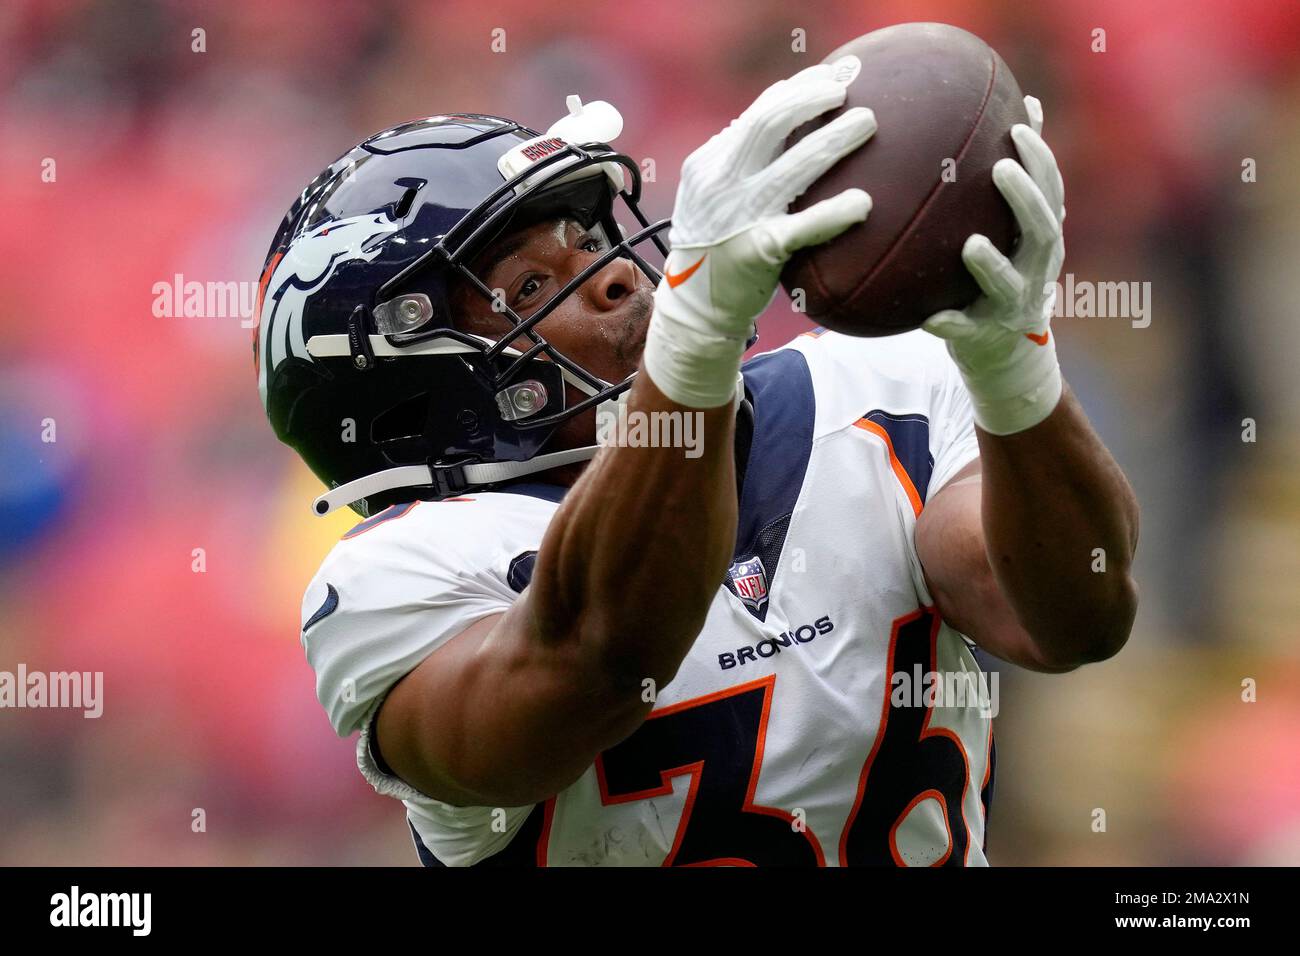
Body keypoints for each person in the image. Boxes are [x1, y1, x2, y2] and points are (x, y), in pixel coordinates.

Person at [255, 62, 1139, 866]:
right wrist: (694, 344)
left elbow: (1069, 617)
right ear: (419, 393)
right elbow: (593, 663)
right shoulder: (395, 577)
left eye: (589, 240)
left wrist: (1014, 372)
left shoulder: (874, 390)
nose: (611, 277)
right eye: (529, 287)